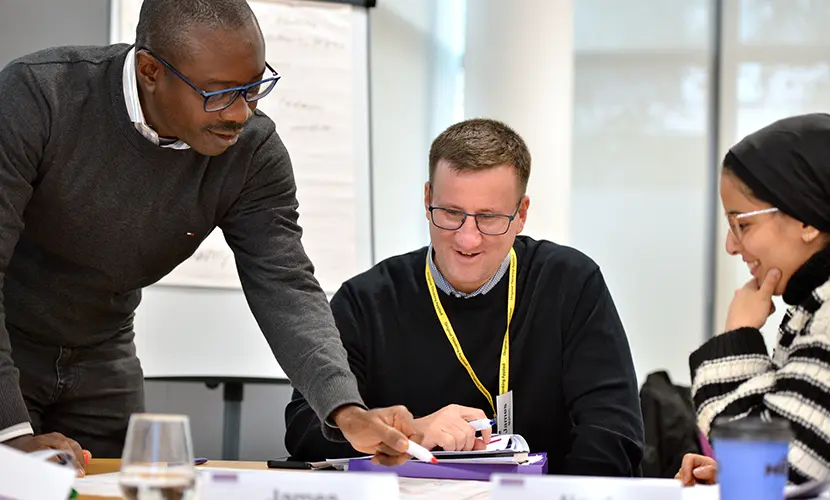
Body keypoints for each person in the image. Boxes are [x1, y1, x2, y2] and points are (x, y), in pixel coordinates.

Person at [0, 0, 420, 474]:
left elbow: (285, 284)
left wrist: (345, 410)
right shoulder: (39, 97)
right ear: (150, 71)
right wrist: (12, 434)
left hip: (102, 348)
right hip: (8, 339)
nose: (241, 114)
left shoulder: (252, 152)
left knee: (118, 485)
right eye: (219, 93)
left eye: (254, 87)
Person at [284, 118, 645, 476]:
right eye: (451, 213)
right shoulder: (366, 301)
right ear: (428, 200)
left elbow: (612, 433)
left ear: (521, 214)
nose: (467, 239)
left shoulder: (570, 285)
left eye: (488, 218)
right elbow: (304, 428)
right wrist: (412, 434)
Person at [677, 113, 830, 486]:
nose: (732, 246)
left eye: (742, 224)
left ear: (807, 221)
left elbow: (786, 467)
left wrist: (739, 336)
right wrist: (736, 469)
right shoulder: (813, 306)